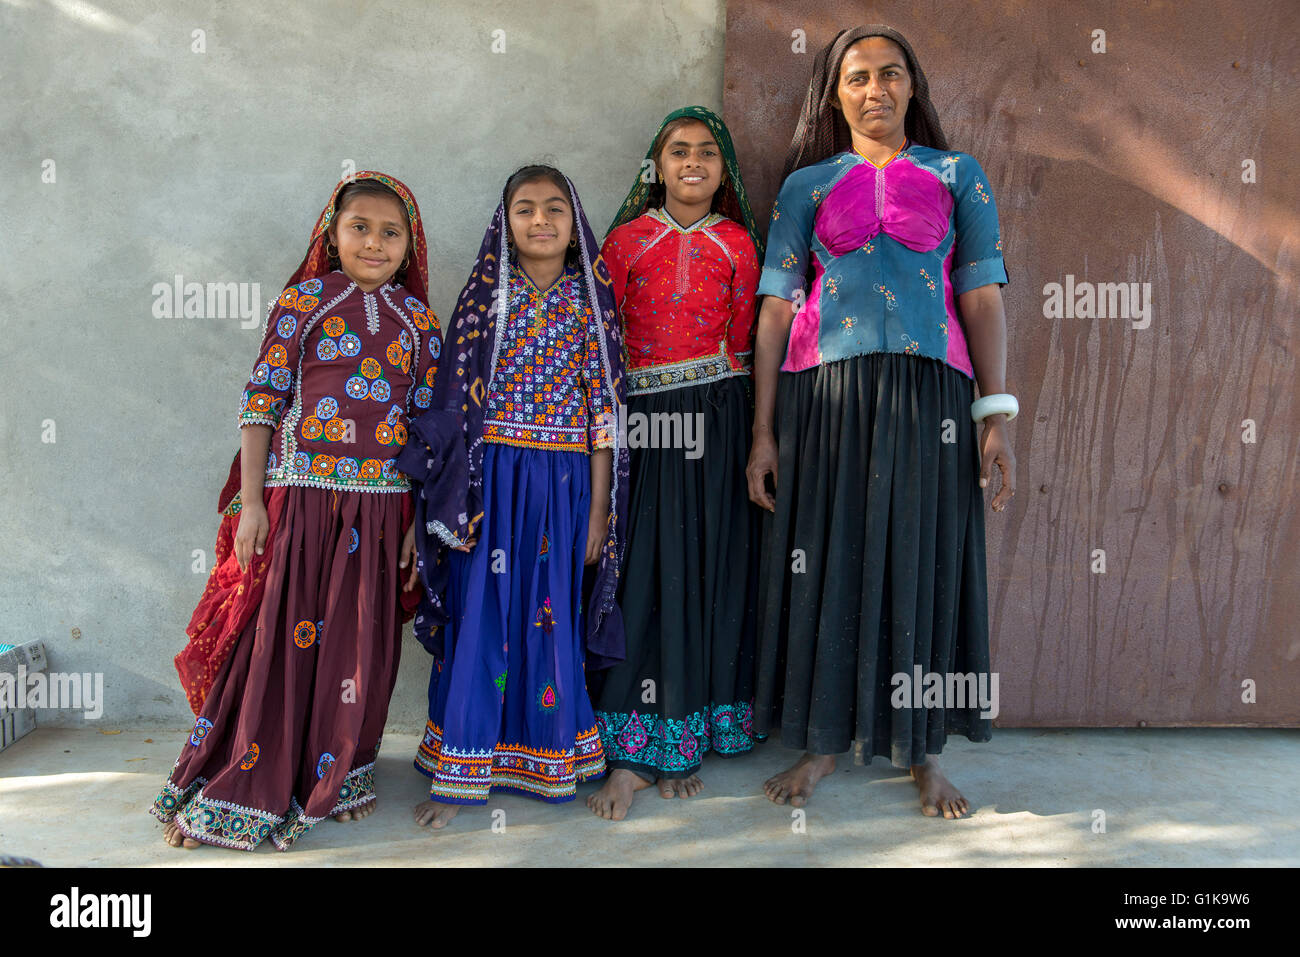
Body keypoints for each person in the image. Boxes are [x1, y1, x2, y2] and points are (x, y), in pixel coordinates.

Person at [747, 26, 1017, 818]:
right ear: (836, 95)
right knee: (828, 558)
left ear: (911, 86)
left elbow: (982, 296)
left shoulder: (958, 176)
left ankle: (922, 752)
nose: (875, 89)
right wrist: (764, 431)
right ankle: (824, 744)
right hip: (823, 398)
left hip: (933, 398)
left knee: (922, 558)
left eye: (890, 74)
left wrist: (994, 416)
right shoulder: (806, 186)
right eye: (858, 77)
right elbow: (774, 307)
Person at [151, 171, 437, 850]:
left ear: (410, 243)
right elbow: (262, 400)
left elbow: (432, 434)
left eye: (391, 232)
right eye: (359, 227)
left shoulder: (420, 320)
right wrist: (251, 503)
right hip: (298, 500)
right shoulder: (303, 301)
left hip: (382, 510)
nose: (375, 241)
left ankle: (343, 770)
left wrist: (420, 524)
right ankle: (242, 780)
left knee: (359, 644)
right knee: (278, 639)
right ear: (332, 237)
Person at [400, 165, 628, 829]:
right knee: (482, 613)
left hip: (563, 482)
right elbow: (451, 405)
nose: (541, 220)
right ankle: (461, 771)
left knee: (548, 612)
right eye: (524, 208)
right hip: (490, 478)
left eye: (556, 208)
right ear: (506, 222)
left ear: (575, 223)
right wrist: (452, 498)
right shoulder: (482, 299)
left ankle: (548, 755)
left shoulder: (592, 304)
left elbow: (605, 413)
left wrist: (599, 507)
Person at [586, 106, 763, 820]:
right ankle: (632, 755)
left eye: (708, 154)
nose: (693, 163)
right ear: (655, 165)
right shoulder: (625, 242)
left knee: (707, 569)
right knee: (646, 574)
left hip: (718, 421)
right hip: (648, 426)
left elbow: (746, 338)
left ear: (724, 172)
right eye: (679, 151)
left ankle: (689, 736)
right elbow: (602, 341)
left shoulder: (738, 244)